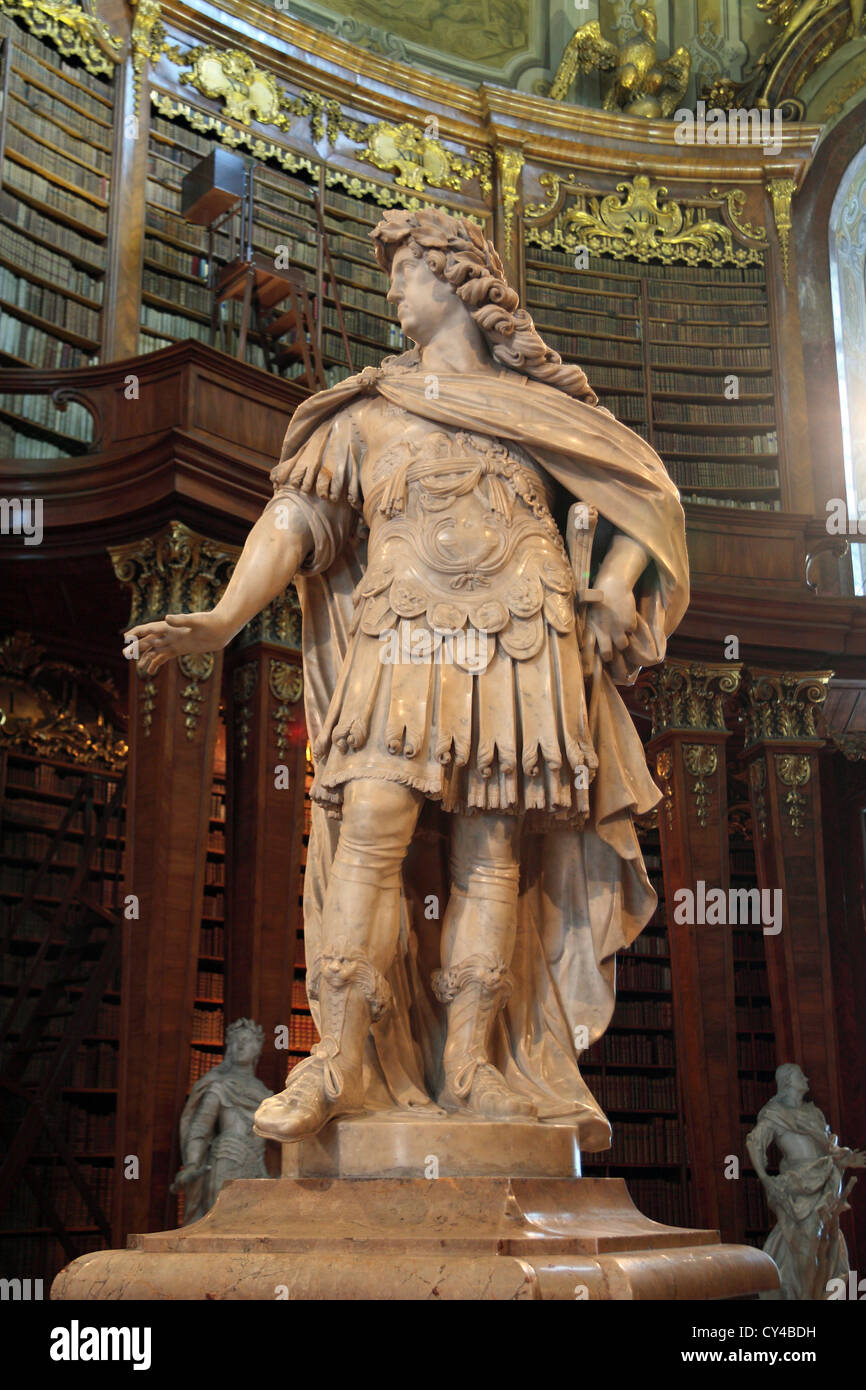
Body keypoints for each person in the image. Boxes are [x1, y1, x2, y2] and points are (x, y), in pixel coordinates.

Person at [126, 208, 688, 1150]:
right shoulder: (368, 408)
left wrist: (614, 588)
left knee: (491, 855)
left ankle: (472, 1066)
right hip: (403, 635)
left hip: (522, 637)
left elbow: (647, 497)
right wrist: (226, 615)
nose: (392, 288)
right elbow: (298, 519)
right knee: (370, 832)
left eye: (406, 270)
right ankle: (340, 1057)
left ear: (459, 280)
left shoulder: (543, 411)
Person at [747, 1062, 865, 1299]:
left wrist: (848, 1158)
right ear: (789, 1081)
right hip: (798, 1185)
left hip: (824, 1180)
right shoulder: (775, 1113)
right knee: (806, 1240)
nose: (807, 1079)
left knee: (826, 1239)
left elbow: (829, 1148)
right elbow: (754, 1143)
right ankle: (804, 1295)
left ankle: (817, 1293)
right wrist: (765, 1179)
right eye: (802, 1076)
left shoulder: (815, 1113)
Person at [171, 1018, 272, 1223]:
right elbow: (200, 1128)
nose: (240, 1045)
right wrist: (191, 1165)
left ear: (258, 1047)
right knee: (221, 1227)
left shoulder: (266, 1094)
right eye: (235, 1041)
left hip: (258, 1170)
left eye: (246, 1040)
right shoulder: (218, 1085)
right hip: (226, 1166)